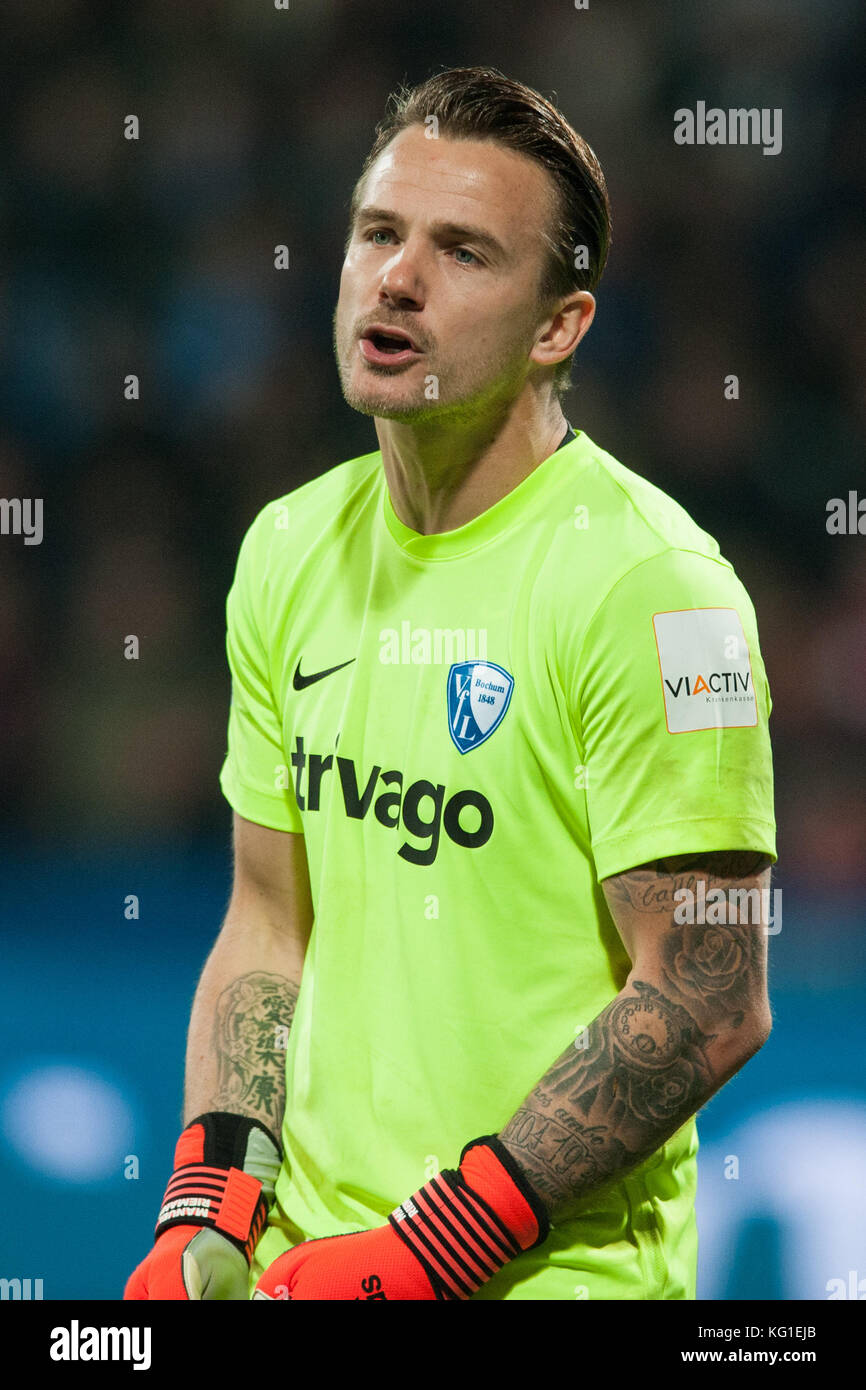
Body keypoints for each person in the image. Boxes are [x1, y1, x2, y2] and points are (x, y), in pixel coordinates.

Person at [125, 65, 776, 1302]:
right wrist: (206, 1207)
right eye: (379, 233)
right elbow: (268, 924)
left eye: (463, 252)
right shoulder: (287, 548)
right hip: (300, 1267)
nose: (397, 279)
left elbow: (706, 994)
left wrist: (431, 1253)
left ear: (556, 326)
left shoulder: (659, 591)